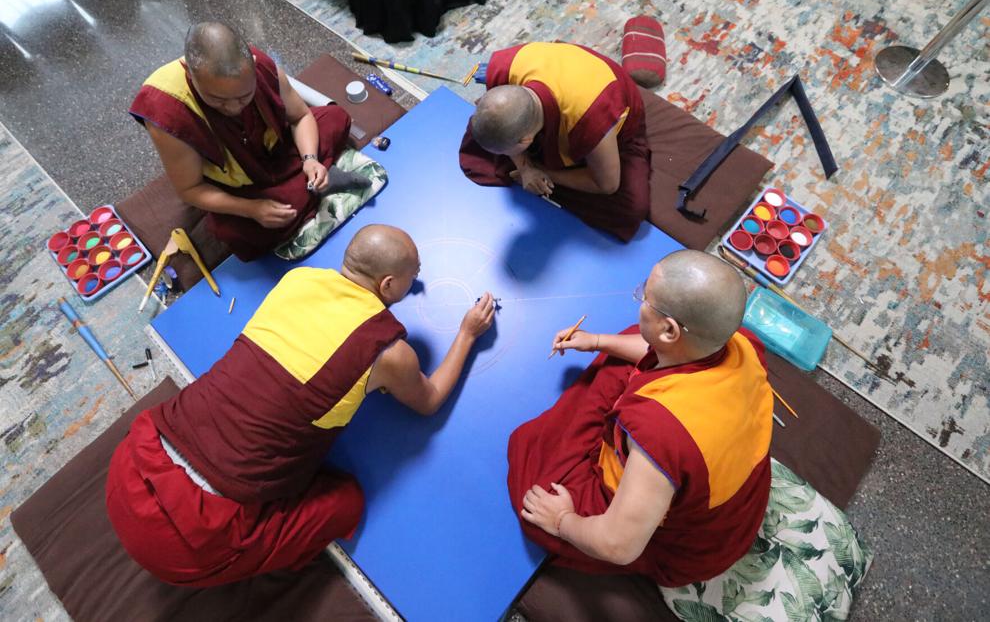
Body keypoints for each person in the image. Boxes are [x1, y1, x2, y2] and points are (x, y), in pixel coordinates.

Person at [106, 225, 495, 586]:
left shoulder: (298, 279)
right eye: (414, 275)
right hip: (187, 539)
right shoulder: (389, 354)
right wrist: (467, 334)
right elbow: (428, 402)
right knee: (346, 501)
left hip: (133, 464)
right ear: (389, 284)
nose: (417, 281)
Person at [507, 250, 773, 586]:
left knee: (533, 490)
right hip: (730, 481)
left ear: (670, 330)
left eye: (645, 296)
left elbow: (618, 546)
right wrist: (597, 342)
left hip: (692, 545)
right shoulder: (744, 345)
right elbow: (664, 350)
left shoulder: (660, 435)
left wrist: (562, 519)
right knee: (632, 338)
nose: (639, 299)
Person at [130, 21, 363, 261]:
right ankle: (312, 187)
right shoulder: (166, 106)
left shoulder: (260, 65)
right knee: (235, 235)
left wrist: (311, 159)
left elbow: (301, 116)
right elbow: (190, 190)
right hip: (237, 185)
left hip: (274, 152)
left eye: (244, 96)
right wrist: (251, 210)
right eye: (217, 99)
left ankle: (307, 184)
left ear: (252, 67)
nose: (232, 108)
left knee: (336, 117)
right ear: (190, 73)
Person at [459, 42, 651, 242]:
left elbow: (607, 185)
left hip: (608, 104)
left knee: (631, 209)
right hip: (561, 81)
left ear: (527, 140)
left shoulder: (591, 117)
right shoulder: (507, 67)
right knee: (487, 132)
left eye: (509, 151)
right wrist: (525, 169)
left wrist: (544, 174)